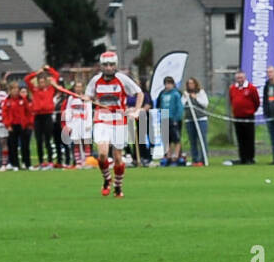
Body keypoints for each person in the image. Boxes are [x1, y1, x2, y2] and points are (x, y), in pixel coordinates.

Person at [87, 51, 144, 197]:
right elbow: (88, 96)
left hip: (119, 121)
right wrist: (87, 99)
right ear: (101, 66)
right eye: (105, 65)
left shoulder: (122, 79)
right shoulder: (95, 80)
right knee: (102, 154)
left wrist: (136, 110)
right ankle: (107, 179)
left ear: (115, 65)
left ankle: (118, 186)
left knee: (118, 157)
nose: (108, 67)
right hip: (101, 119)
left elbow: (139, 93)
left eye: (111, 65)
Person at [24, 66, 60, 169]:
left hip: (47, 116)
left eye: (43, 82)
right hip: (38, 117)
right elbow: (27, 79)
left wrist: (49, 69)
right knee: (39, 140)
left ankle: (50, 161)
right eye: (40, 82)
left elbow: (56, 76)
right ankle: (41, 162)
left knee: (48, 140)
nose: (42, 84)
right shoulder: (34, 90)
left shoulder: (50, 89)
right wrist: (36, 73)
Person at [227, 70, 260, 164]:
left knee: (249, 138)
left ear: (244, 78)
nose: (239, 80)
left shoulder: (251, 88)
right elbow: (231, 100)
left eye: (241, 78)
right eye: (238, 78)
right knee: (240, 138)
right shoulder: (233, 88)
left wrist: (251, 111)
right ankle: (242, 157)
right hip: (237, 117)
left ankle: (250, 158)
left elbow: (256, 101)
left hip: (248, 116)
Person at [2, 81, 33, 170]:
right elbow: (4, 114)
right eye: (14, 89)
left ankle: (27, 164)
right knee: (13, 146)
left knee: (25, 145)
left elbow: (28, 112)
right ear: (10, 90)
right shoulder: (7, 101)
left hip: (23, 125)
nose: (16, 90)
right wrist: (8, 125)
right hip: (12, 126)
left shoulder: (23, 100)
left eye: (17, 88)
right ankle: (15, 164)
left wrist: (29, 123)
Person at [63, 77, 93, 167]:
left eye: (80, 87)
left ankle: (87, 161)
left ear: (83, 88)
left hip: (84, 122)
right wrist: (68, 124)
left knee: (86, 142)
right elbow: (68, 111)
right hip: (75, 123)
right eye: (77, 87)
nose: (78, 89)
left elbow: (89, 111)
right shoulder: (71, 98)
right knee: (76, 142)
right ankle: (78, 162)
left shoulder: (86, 98)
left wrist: (89, 123)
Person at [156, 76, 186, 165]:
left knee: (176, 139)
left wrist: (177, 118)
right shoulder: (162, 94)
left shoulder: (176, 94)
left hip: (173, 118)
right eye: (166, 84)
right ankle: (168, 155)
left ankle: (176, 156)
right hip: (165, 117)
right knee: (166, 139)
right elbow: (160, 106)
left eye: (169, 84)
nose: (167, 86)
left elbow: (179, 107)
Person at [183, 77, 210, 166]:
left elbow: (205, 104)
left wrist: (196, 98)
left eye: (192, 83)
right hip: (189, 119)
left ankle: (203, 159)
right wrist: (186, 97)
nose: (190, 85)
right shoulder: (186, 94)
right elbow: (182, 104)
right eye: (189, 83)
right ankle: (195, 159)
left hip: (200, 119)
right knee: (192, 140)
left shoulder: (201, 92)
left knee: (202, 139)